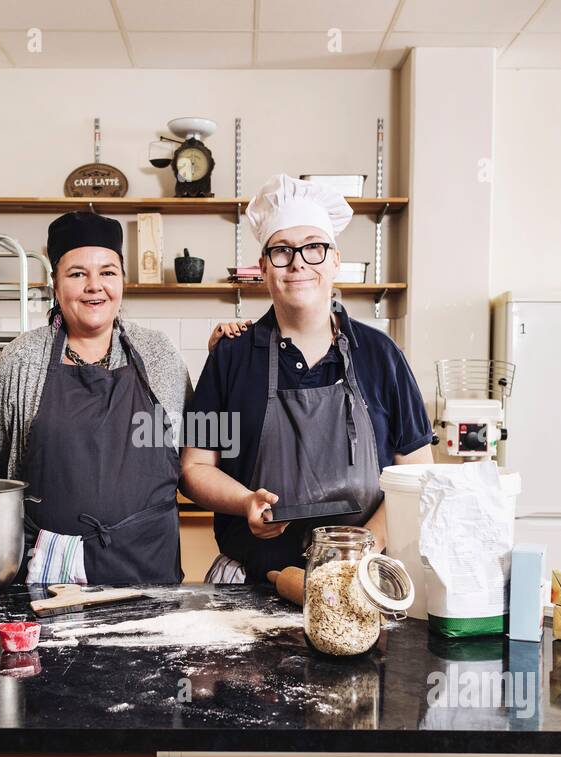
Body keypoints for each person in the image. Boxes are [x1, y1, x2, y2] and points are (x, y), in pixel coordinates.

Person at [180, 174, 434, 583]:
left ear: (335, 260)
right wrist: (246, 501)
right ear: (263, 267)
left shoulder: (381, 355)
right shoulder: (230, 357)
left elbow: (418, 474)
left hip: (363, 579)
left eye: (314, 247)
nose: (298, 262)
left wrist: (364, 548)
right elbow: (194, 467)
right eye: (282, 250)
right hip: (247, 582)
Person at [0, 211, 191, 585]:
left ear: (122, 281)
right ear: (55, 285)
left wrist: (227, 360)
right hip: (47, 571)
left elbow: (197, 451)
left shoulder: (160, 354)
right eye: (77, 274)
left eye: (108, 272)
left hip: (147, 567)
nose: (95, 286)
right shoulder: (21, 359)